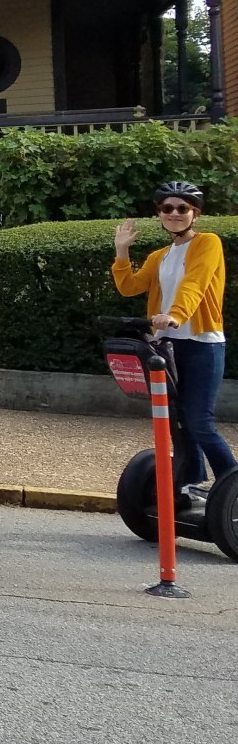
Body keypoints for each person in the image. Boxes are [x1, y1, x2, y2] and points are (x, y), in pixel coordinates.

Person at [114, 180, 233, 505]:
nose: (175, 214)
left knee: (199, 420)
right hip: (167, 346)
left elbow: (195, 283)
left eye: (183, 208)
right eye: (168, 208)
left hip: (202, 344)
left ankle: (231, 485)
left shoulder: (208, 243)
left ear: (195, 213)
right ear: (160, 214)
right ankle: (191, 483)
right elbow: (130, 286)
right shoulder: (160, 256)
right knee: (177, 421)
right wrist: (122, 251)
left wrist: (176, 315)